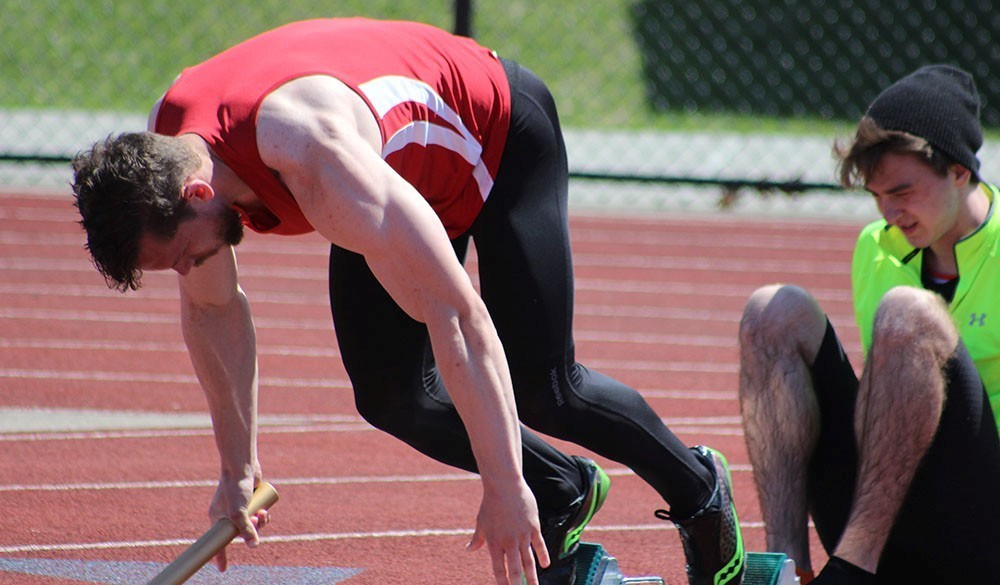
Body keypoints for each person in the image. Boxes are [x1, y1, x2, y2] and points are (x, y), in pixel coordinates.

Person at [70, 18, 745, 585]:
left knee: (544, 386)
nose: (190, 268)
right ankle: (562, 487)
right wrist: (236, 464)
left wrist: (504, 486)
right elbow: (212, 310)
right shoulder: (170, 143)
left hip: (499, 136)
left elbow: (458, 315)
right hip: (400, 173)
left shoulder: (319, 162)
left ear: (195, 194)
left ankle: (698, 490)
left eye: (183, 255)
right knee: (390, 391)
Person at [737, 64, 1000, 584]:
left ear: (959, 171)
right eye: (876, 195)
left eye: (902, 191)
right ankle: (785, 569)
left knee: (909, 313)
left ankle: (852, 572)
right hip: (884, 512)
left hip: (981, 526)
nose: (889, 211)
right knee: (773, 310)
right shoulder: (873, 248)